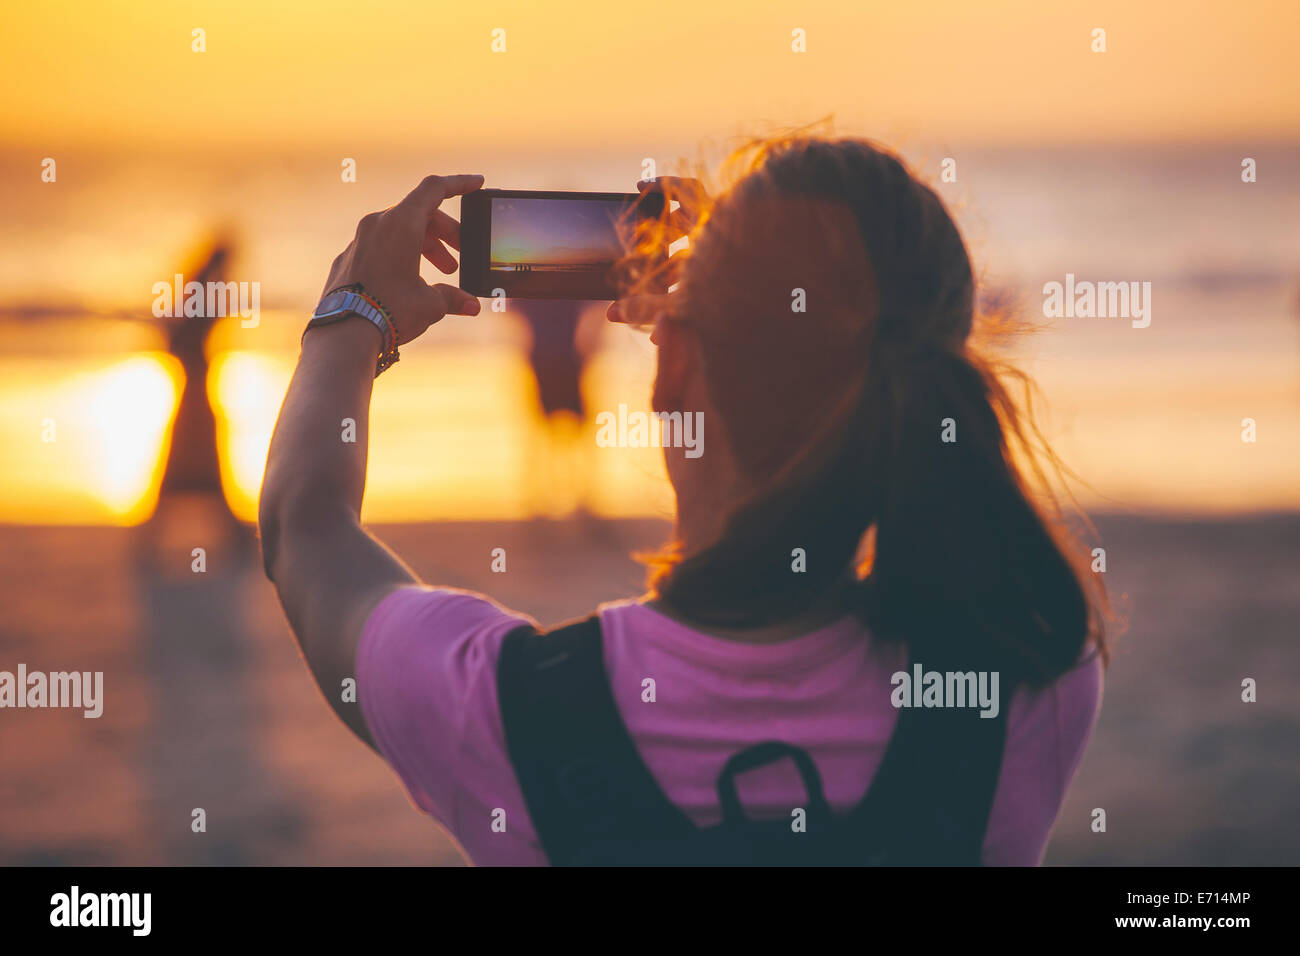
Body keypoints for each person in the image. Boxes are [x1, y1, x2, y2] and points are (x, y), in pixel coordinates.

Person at [259, 135, 1108, 865]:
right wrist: (718, 315)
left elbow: (304, 528)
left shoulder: (507, 710)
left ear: (670, 370)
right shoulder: (1030, 684)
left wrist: (353, 309)